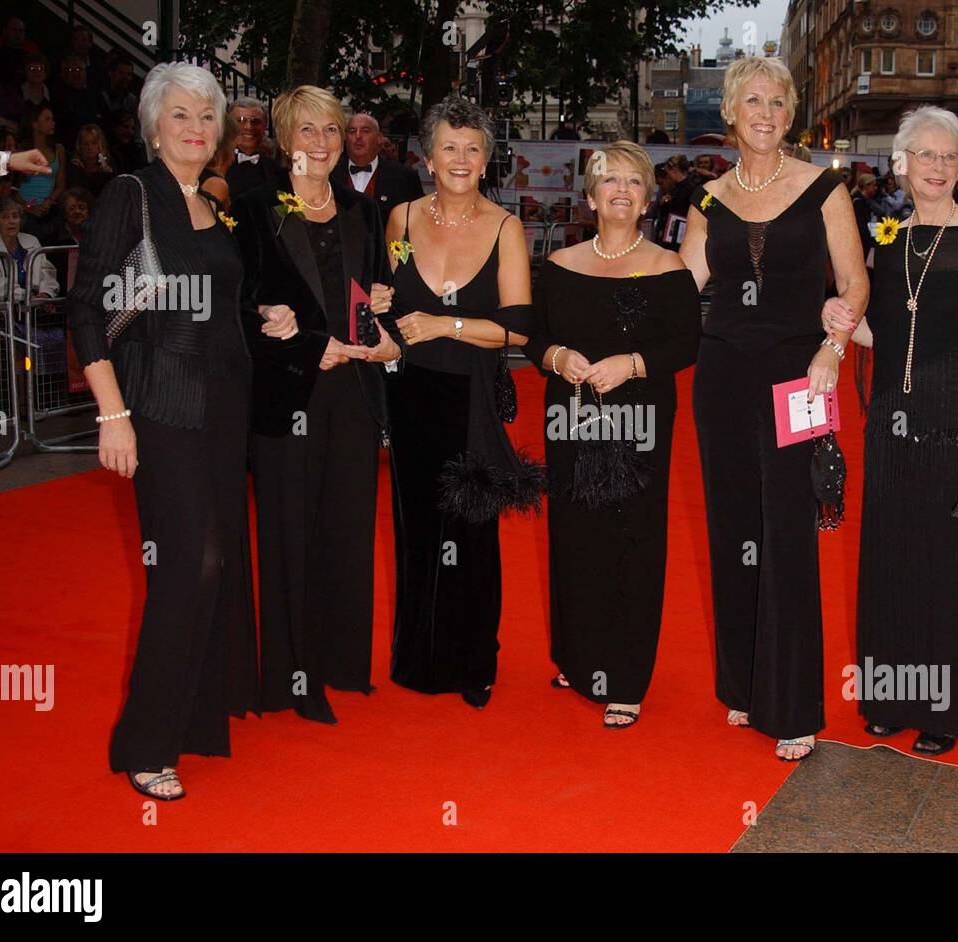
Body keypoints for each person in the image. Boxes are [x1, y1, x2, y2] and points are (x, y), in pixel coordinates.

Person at [67, 61, 265, 801]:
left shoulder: (212, 203)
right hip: (160, 402)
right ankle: (145, 742)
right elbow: (88, 309)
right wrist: (112, 414)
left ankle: (196, 718)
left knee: (214, 559)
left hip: (225, 403)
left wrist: (263, 318)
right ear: (153, 125)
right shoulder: (131, 195)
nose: (194, 127)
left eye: (206, 116)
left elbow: (212, 305)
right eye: (179, 114)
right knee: (191, 562)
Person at [679, 55, 869, 761]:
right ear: (730, 112)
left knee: (788, 528)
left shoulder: (824, 187)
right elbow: (685, 281)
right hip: (721, 373)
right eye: (751, 100)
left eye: (777, 103)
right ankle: (744, 686)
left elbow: (853, 283)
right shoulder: (709, 198)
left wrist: (833, 350)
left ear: (791, 116)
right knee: (733, 526)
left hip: (803, 374)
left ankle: (792, 703)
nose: (764, 113)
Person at [825, 104, 958, 758]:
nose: (937, 167)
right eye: (925, 155)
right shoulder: (887, 238)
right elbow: (888, 333)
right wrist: (842, 321)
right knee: (892, 558)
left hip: (955, 424)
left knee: (948, 565)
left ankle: (945, 709)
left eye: (950, 157)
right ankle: (889, 698)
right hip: (893, 427)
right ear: (901, 164)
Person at [232, 85, 401, 723]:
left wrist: (379, 312)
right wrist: (304, 343)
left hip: (354, 392)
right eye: (307, 132)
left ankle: (341, 664)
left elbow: (367, 294)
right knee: (291, 533)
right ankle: (295, 679)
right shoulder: (254, 210)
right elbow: (238, 310)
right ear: (283, 139)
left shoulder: (362, 210)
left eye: (330, 131)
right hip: (291, 392)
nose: (322, 143)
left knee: (348, 530)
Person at [522, 142, 700, 728]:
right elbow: (532, 336)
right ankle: (579, 658)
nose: (621, 191)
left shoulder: (668, 267)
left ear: (647, 199)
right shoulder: (560, 264)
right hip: (569, 418)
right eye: (609, 181)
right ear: (591, 196)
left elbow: (685, 344)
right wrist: (557, 357)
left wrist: (633, 364)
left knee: (633, 537)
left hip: (640, 422)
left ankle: (625, 677)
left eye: (633, 182)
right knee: (575, 532)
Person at [383, 94, 541, 709]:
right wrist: (384, 311)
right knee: (417, 526)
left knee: (472, 535)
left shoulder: (505, 227)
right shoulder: (400, 220)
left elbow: (520, 327)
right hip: (410, 393)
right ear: (427, 156)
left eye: (472, 149)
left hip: (470, 393)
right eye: (449, 146)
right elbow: (390, 302)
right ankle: (417, 658)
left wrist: (444, 324)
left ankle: (474, 661)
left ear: (486, 160)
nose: (460, 158)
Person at [330, 111, 423, 222]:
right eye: (352, 131)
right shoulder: (329, 174)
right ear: (345, 138)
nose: (358, 136)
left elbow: (417, 221)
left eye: (365, 131)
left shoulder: (404, 177)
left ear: (379, 138)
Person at [0, 194, 58, 301]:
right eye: (5, 217)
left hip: (36, 304)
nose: (11, 221)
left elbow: (46, 271)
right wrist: (26, 296)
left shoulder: (32, 240)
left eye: (15, 216)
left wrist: (45, 293)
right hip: (4, 309)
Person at [16, 103, 65, 235]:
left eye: (53, 119)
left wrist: (49, 201)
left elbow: (60, 185)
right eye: (47, 119)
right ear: (34, 124)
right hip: (24, 208)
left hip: (48, 207)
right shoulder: (21, 151)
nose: (53, 123)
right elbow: (13, 189)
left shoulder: (58, 149)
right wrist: (30, 208)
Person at [224, 97, 281, 198]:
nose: (248, 127)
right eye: (241, 120)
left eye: (255, 121)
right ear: (228, 125)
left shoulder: (277, 167)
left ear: (265, 125)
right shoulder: (215, 164)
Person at [67, 123, 114, 198]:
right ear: (80, 146)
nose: (90, 147)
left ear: (100, 145)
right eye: (85, 144)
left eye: (94, 143)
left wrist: (106, 173)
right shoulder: (75, 165)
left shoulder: (109, 163)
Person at [850, 172, 879, 258]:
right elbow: (861, 227)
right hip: (861, 245)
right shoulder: (858, 203)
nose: (876, 188)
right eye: (874, 185)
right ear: (866, 186)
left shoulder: (866, 202)